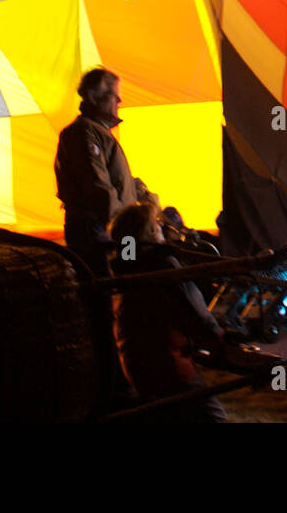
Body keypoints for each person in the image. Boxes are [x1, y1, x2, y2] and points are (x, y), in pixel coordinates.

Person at [110, 202, 229, 422]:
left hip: (135, 367)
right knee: (213, 417)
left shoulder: (121, 273)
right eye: (156, 225)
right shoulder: (163, 266)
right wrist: (221, 339)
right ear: (150, 233)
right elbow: (196, 312)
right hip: (169, 367)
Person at [54, 68, 136, 278]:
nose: (119, 101)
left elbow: (117, 181)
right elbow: (96, 185)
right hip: (95, 231)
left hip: (116, 228)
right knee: (103, 286)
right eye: (114, 95)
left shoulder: (100, 133)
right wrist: (125, 221)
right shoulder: (84, 132)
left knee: (131, 275)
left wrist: (144, 199)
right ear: (92, 96)